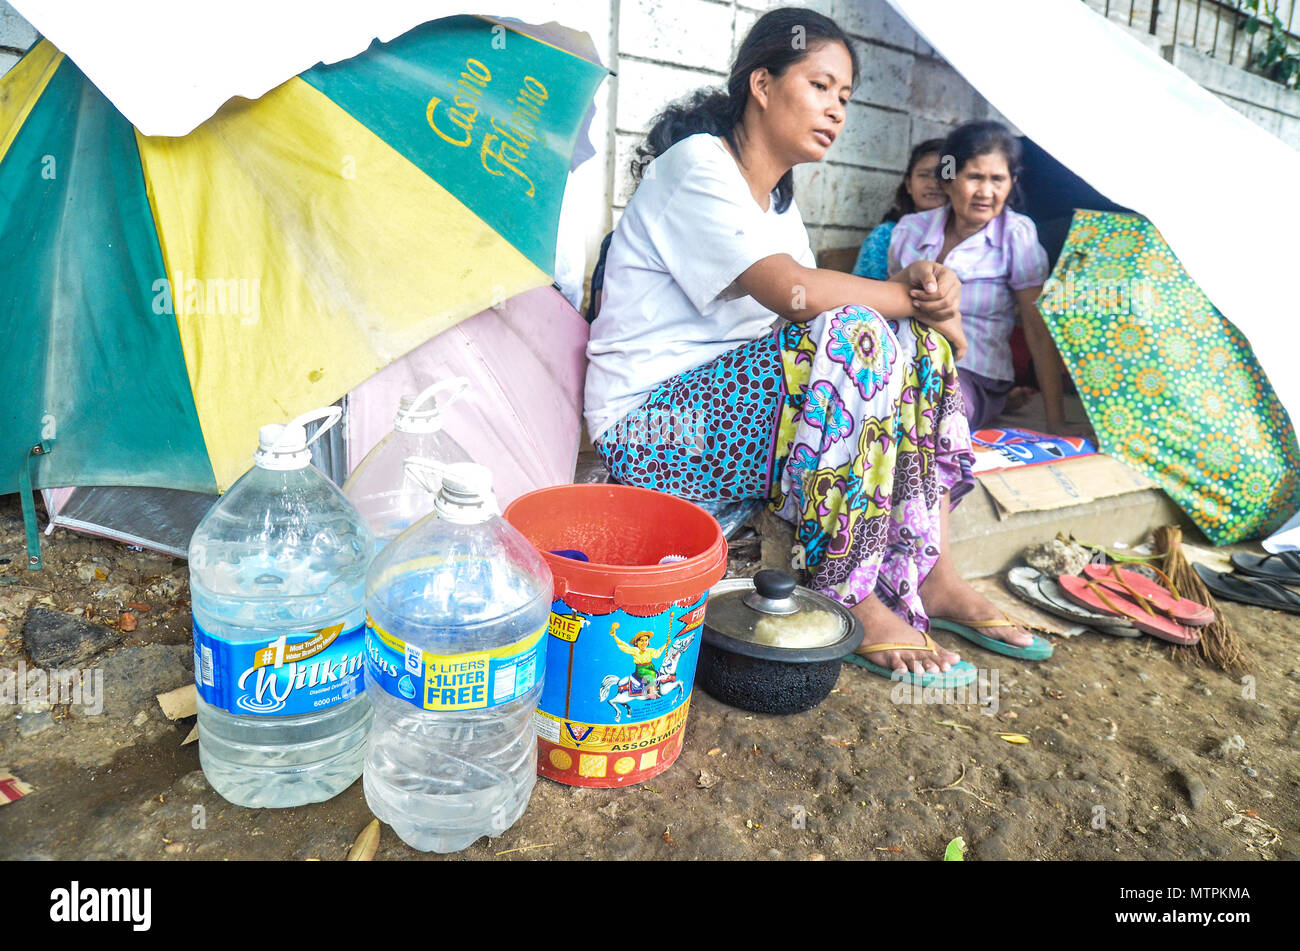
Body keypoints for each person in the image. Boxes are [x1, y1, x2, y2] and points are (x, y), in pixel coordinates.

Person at [585, 8, 1047, 684]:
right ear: (764, 85)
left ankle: (937, 576)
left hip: (725, 427)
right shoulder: (695, 167)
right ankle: (850, 587)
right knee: (858, 333)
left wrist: (927, 309)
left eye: (845, 97)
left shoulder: (776, 203)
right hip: (652, 435)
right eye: (821, 86)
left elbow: (843, 313)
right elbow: (791, 292)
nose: (836, 110)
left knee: (913, 345)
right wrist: (903, 290)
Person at [889, 121, 1077, 435]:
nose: (986, 192)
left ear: (1011, 182)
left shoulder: (1017, 235)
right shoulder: (909, 229)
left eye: (998, 179)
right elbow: (889, 301)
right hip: (903, 361)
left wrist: (1054, 420)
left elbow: (1037, 329)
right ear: (948, 180)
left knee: (932, 416)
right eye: (975, 177)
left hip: (973, 373)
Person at [851, 138, 945, 280]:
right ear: (908, 185)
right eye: (924, 175)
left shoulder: (961, 236)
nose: (932, 184)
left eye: (941, 176)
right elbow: (862, 292)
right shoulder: (886, 235)